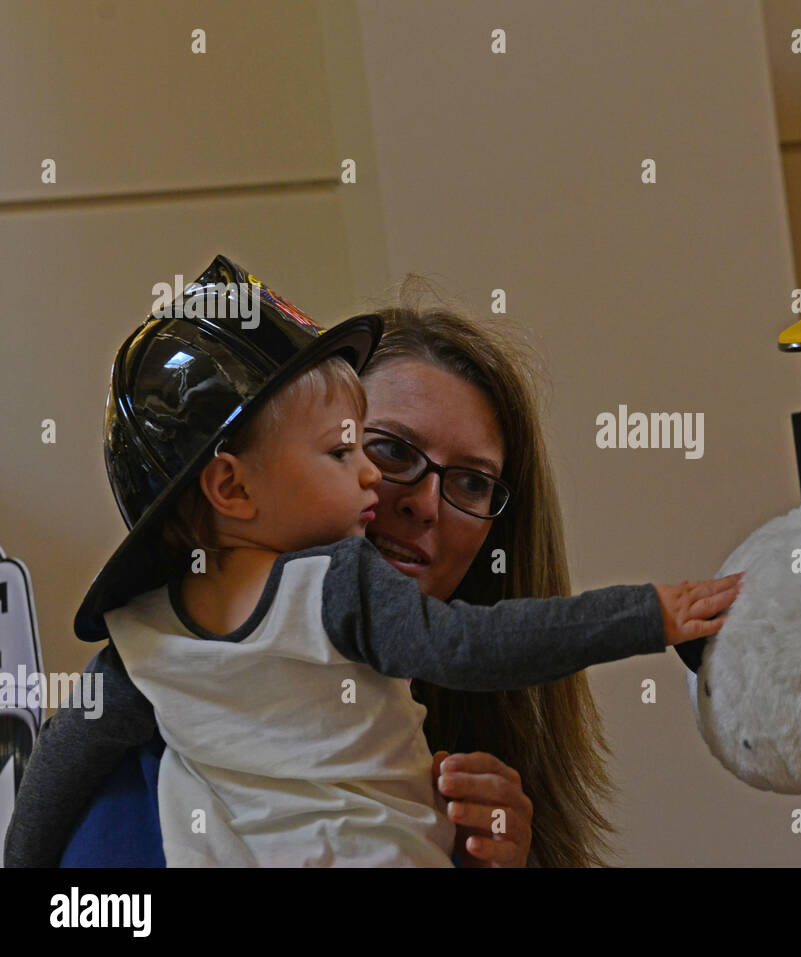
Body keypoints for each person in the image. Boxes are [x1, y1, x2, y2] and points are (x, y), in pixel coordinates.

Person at [4, 257, 741, 867]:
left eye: (472, 481)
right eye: (380, 448)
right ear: (234, 484)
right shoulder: (139, 760)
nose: (423, 500)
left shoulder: (455, 749)